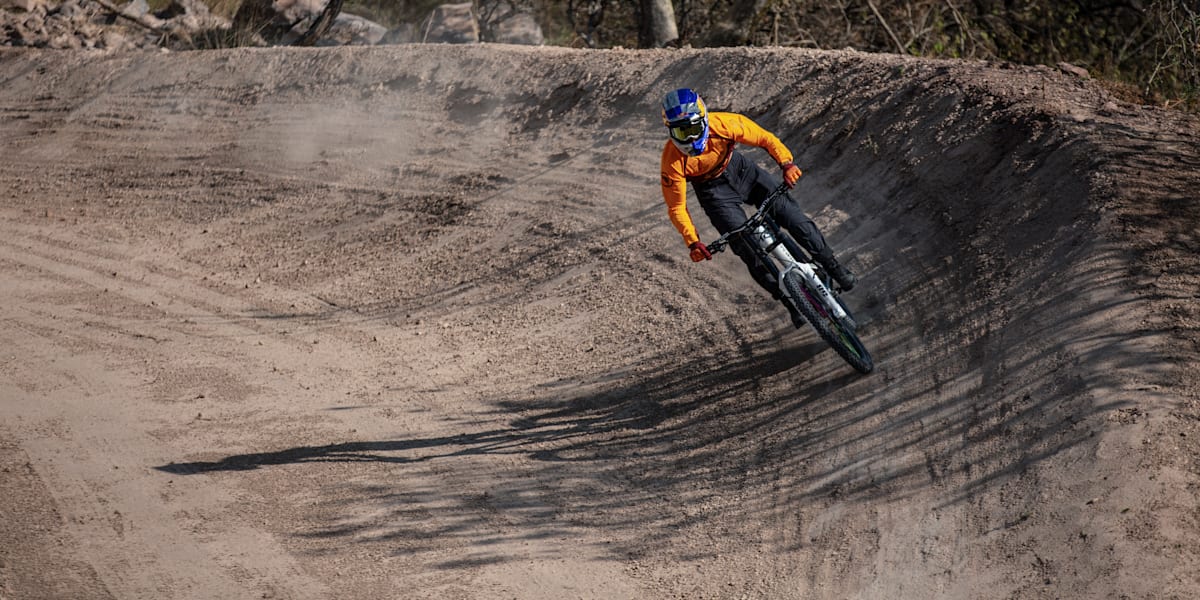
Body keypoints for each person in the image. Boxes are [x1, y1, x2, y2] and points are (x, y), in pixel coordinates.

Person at [658, 87, 857, 326]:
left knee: (793, 218)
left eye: (693, 128)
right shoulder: (671, 162)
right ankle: (790, 301)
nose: (690, 138)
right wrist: (692, 241)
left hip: (742, 172)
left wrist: (786, 164)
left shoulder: (725, 124)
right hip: (713, 193)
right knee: (748, 250)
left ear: (705, 119)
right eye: (682, 131)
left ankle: (833, 267)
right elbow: (676, 207)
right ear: (671, 131)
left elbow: (765, 138)